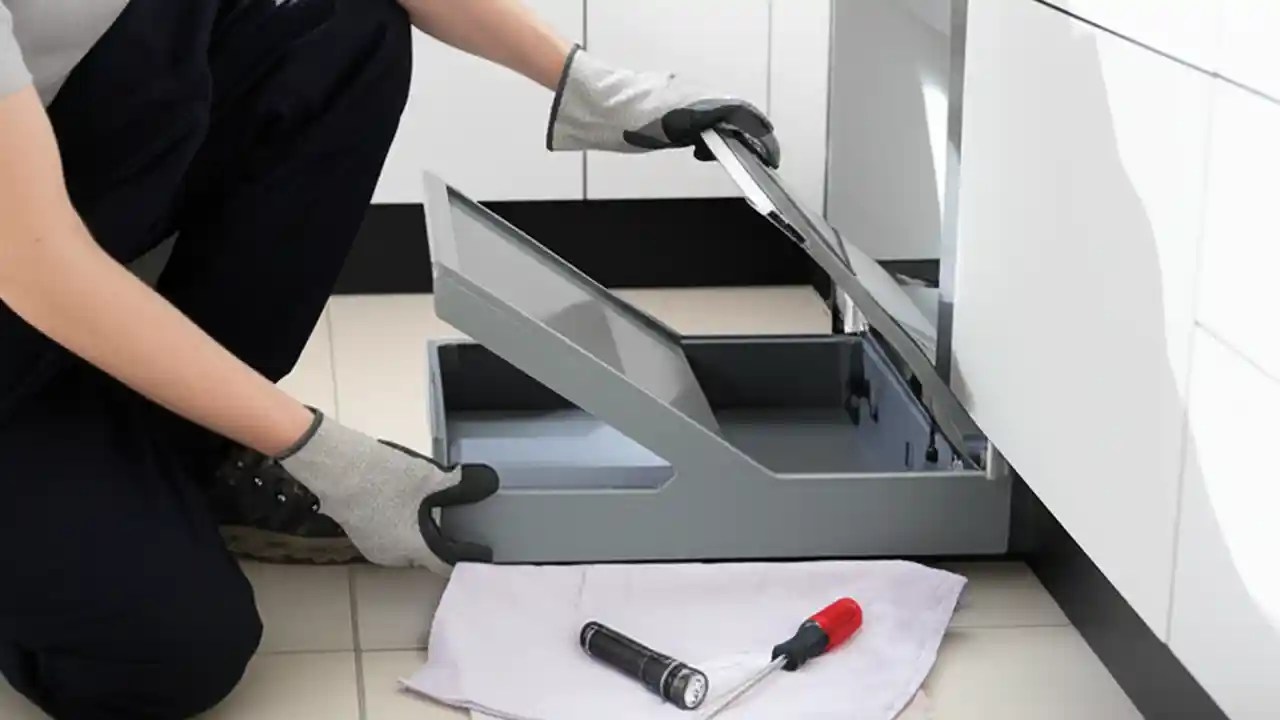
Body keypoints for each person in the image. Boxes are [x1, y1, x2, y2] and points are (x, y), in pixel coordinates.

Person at [0, 0, 779, 717]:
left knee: (340, 29)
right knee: (170, 653)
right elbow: (40, 268)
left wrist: (591, 86)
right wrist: (325, 453)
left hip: (36, 204)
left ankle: (172, 451)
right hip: (24, 263)